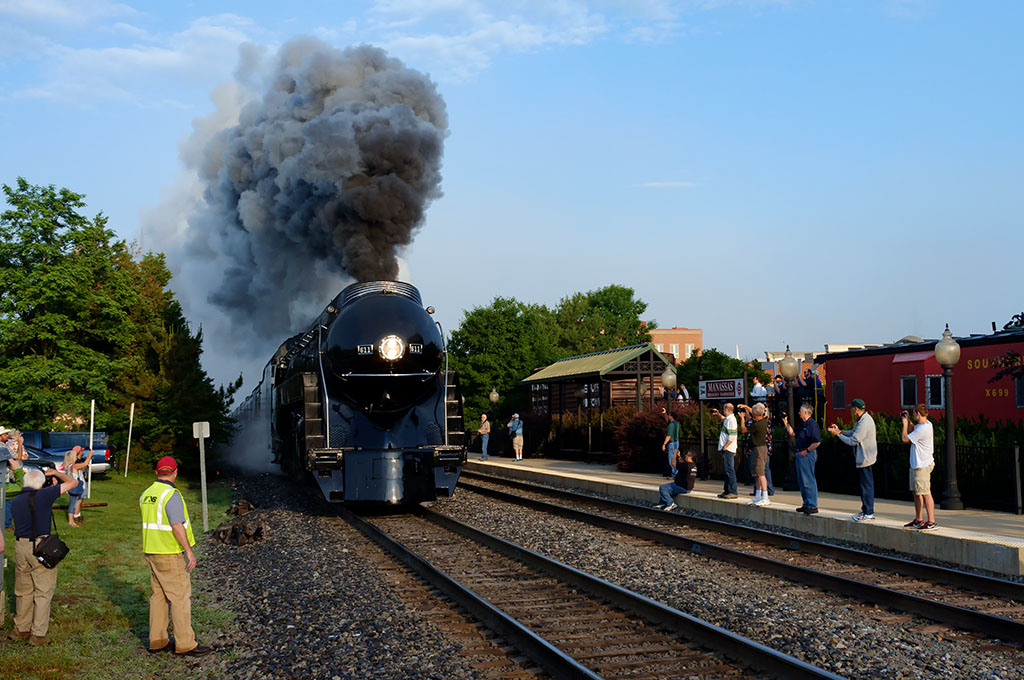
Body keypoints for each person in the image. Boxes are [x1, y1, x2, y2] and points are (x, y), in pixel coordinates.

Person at [140, 456, 212, 656]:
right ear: (175, 472)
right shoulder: (171, 495)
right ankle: (186, 643)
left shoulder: (146, 494)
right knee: (180, 598)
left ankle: (158, 640)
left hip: (152, 551)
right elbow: (176, 526)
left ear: (157, 472)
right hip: (170, 553)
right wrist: (189, 551)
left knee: (159, 596)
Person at [10, 466, 77, 645]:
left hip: (20, 545)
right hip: (40, 546)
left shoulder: (16, 500)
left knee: (23, 590)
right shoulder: (45, 495)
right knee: (43, 590)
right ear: (41, 483)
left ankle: (21, 628)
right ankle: (37, 633)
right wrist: (56, 474)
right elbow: (73, 482)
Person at [829, 398, 878, 522]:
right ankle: (865, 510)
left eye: (852, 408)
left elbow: (853, 441)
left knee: (866, 487)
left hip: (866, 459)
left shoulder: (864, 422)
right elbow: (852, 433)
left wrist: (838, 435)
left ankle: (869, 512)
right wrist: (840, 431)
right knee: (864, 487)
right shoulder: (862, 420)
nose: (851, 410)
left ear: (856, 409)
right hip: (863, 458)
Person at [902, 404, 937, 531]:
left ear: (919, 414)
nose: (913, 415)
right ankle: (919, 519)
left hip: (922, 466)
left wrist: (905, 424)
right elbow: (915, 428)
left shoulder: (923, 429)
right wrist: (909, 421)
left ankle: (932, 521)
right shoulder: (926, 425)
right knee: (916, 492)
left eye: (914, 413)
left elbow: (905, 438)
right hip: (916, 465)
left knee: (925, 493)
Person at [784, 404, 821, 514]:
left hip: (807, 454)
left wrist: (807, 451)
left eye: (800, 411)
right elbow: (792, 432)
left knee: (808, 479)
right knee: (802, 480)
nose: (799, 413)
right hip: (801, 453)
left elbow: (817, 442)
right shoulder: (803, 425)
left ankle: (812, 505)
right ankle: (806, 504)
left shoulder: (812, 425)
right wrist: (785, 422)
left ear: (806, 412)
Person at [743, 403, 771, 506]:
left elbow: (743, 430)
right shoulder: (763, 421)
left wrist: (742, 419)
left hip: (759, 449)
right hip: (758, 448)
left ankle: (765, 497)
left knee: (761, 474)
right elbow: (754, 414)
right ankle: (757, 496)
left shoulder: (757, 425)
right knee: (757, 474)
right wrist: (747, 408)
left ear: (755, 415)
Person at [711, 403, 739, 499]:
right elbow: (723, 419)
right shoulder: (728, 419)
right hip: (726, 448)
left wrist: (725, 446)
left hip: (728, 449)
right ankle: (727, 490)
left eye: (723, 409)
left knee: (730, 470)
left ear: (727, 409)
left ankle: (733, 491)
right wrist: (718, 414)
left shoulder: (732, 420)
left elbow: (732, 435)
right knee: (727, 470)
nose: (723, 410)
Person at [62, 446, 89, 527]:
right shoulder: (73, 466)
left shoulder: (71, 466)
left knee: (73, 504)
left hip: (73, 488)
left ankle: (72, 521)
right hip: (74, 488)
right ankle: (71, 521)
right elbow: (85, 464)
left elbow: (82, 469)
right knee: (72, 504)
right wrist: (90, 456)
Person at [661, 411, 680, 479]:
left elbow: (668, 436)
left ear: (671, 416)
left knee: (671, 460)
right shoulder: (676, 424)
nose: (668, 417)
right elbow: (667, 420)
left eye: (669, 415)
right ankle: (675, 474)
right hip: (676, 442)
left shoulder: (671, 425)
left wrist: (664, 444)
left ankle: (675, 474)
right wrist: (665, 413)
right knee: (674, 459)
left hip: (672, 443)